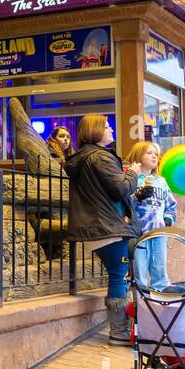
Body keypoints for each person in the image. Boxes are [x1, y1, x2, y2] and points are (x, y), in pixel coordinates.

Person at [64, 114, 141, 346]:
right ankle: (119, 331)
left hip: (98, 227)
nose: (111, 130)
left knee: (120, 274)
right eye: (107, 127)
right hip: (108, 227)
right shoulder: (100, 157)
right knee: (119, 275)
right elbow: (121, 188)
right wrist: (133, 172)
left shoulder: (83, 158)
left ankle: (121, 327)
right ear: (96, 131)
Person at [124, 141, 177, 291]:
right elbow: (124, 204)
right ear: (138, 156)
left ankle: (160, 296)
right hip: (138, 233)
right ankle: (139, 299)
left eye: (156, 154)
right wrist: (137, 197)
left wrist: (168, 219)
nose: (154, 156)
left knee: (159, 266)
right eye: (149, 153)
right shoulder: (131, 179)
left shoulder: (161, 181)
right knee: (138, 268)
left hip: (159, 232)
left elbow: (171, 204)